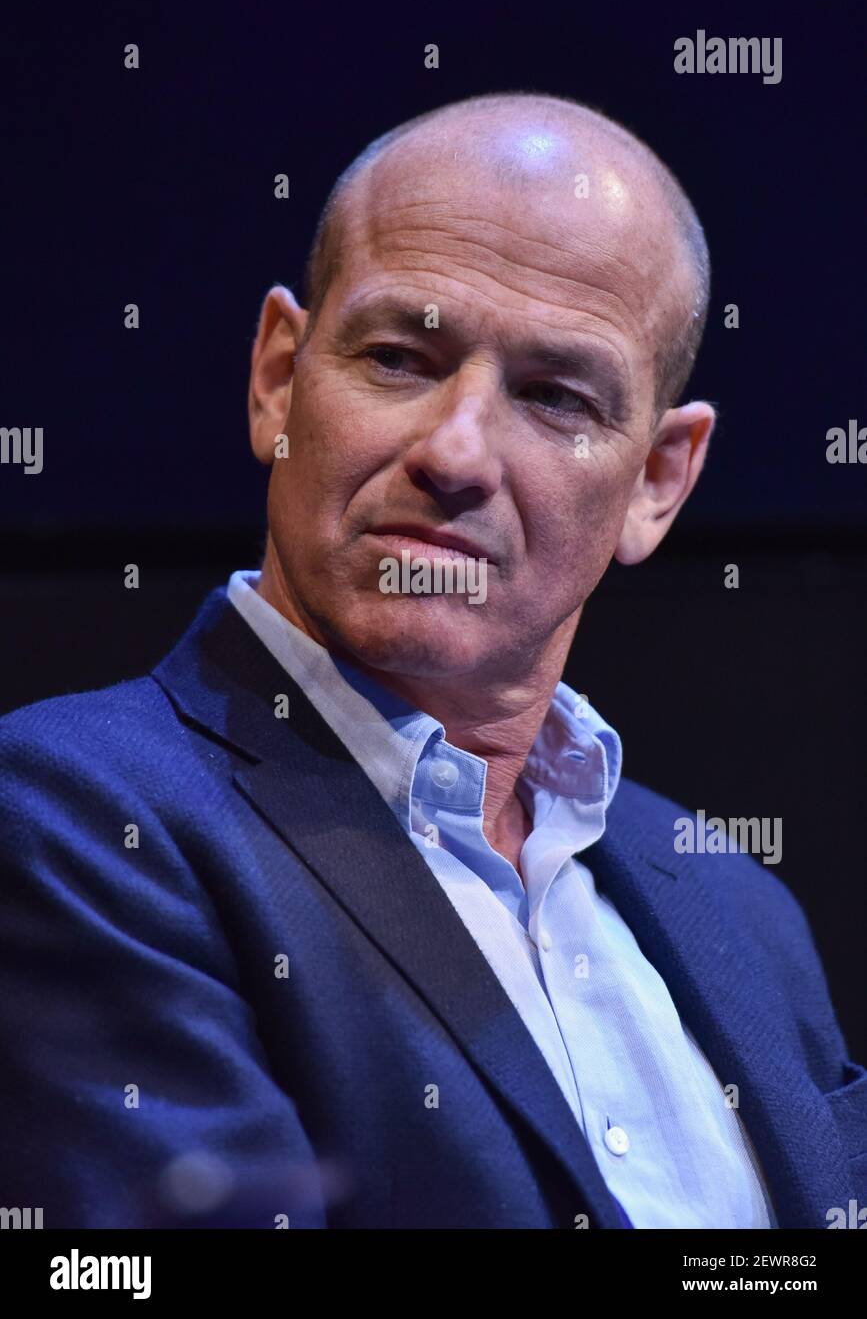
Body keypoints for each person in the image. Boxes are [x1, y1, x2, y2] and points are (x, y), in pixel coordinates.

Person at [1, 92, 863, 1229]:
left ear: (658, 478)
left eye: (556, 396)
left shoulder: (741, 913)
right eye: (402, 358)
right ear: (278, 379)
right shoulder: (72, 818)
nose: (455, 454)